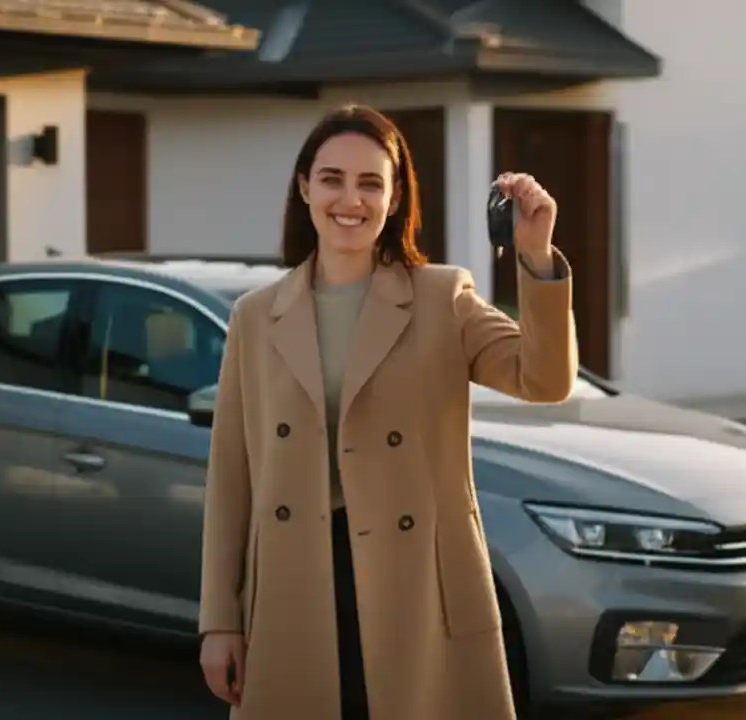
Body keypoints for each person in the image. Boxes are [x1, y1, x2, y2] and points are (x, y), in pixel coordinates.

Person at [197, 104, 578, 720]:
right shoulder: (255, 316)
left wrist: (535, 254)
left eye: (371, 182)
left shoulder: (443, 297)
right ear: (304, 187)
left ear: (396, 197)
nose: (351, 198)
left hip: (419, 589)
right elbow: (230, 479)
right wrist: (220, 620)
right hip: (295, 588)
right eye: (332, 179)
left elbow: (545, 379)